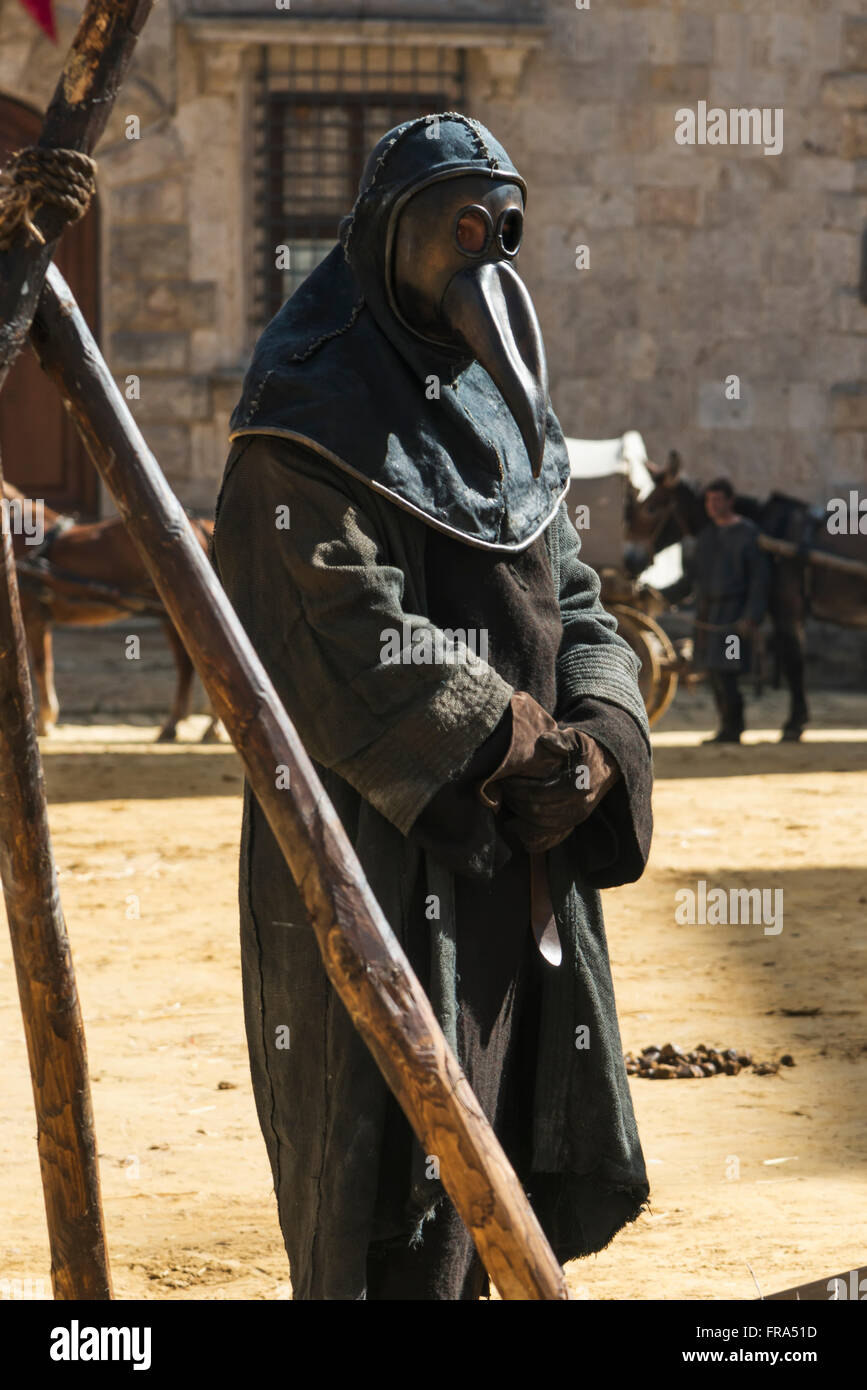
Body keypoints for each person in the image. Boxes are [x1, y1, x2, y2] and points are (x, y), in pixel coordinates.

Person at [213, 113, 653, 1300]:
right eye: (459, 226)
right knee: (394, 1195)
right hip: (379, 857)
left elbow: (580, 598)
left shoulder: (503, 409)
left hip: (522, 862)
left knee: (508, 1156)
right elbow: (340, 626)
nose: (485, 254)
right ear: (392, 232)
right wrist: (516, 741)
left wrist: (598, 750)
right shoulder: (303, 413)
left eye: (501, 228)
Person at [691, 477, 771, 744]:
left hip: (734, 616)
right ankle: (726, 727)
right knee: (714, 672)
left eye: (717, 500)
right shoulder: (707, 537)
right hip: (712, 616)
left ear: (729, 501)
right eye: (708, 501)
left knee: (728, 672)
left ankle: (734, 728)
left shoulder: (748, 534)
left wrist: (751, 616)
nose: (712, 506)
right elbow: (693, 577)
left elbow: (760, 581)